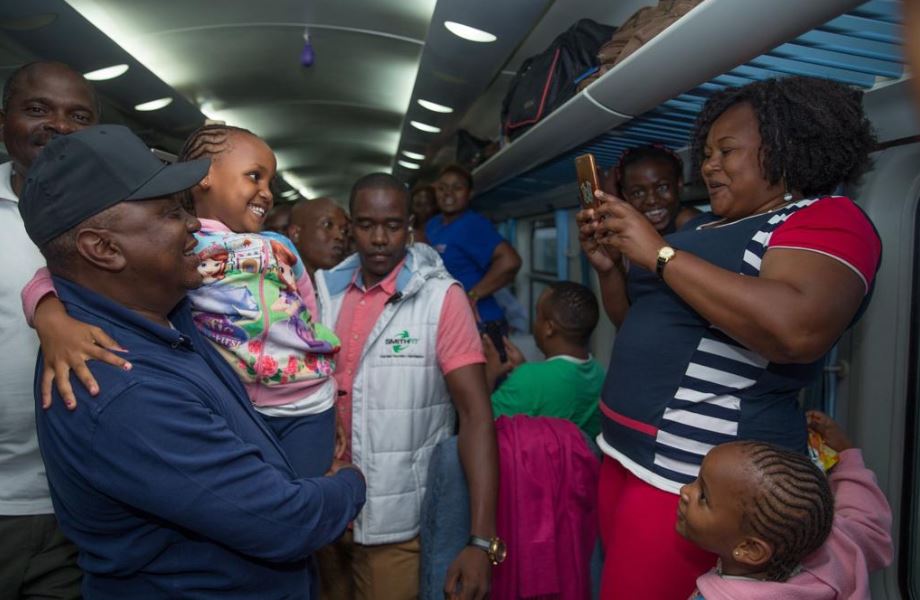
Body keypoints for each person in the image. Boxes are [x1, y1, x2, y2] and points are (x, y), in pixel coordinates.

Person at [18, 124, 365, 597]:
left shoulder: (166, 312)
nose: (195, 224)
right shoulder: (120, 387)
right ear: (104, 249)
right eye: (168, 214)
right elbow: (284, 522)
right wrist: (349, 482)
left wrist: (47, 308)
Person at [577, 76, 881, 599]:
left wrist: (659, 254)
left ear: (787, 150)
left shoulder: (827, 218)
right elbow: (645, 326)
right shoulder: (706, 230)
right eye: (707, 153)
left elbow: (797, 330)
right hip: (626, 452)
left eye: (726, 151)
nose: (709, 166)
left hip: (696, 477)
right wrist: (610, 270)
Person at [27, 123, 344, 479]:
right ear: (207, 177)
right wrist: (49, 317)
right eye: (254, 176)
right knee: (267, 492)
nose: (266, 193)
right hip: (240, 399)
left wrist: (318, 361)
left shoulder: (277, 246)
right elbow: (52, 274)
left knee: (304, 492)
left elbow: (306, 307)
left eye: (270, 182)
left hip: (306, 397)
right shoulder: (176, 245)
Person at [313, 173, 500, 600]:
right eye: (365, 225)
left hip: (396, 523)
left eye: (393, 225)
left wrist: (480, 540)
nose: (379, 238)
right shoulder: (326, 294)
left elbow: (475, 416)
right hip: (324, 510)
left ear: (410, 227)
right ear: (350, 228)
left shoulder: (441, 299)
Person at [0, 60, 105, 599]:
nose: (60, 126)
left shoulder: (123, 219)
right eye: (38, 109)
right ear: (3, 120)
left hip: (84, 498)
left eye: (78, 116)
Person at [680, 411, 893, 599]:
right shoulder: (839, 548)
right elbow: (868, 525)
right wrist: (847, 457)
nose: (685, 491)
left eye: (703, 497)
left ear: (750, 549)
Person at [484, 281, 605, 438]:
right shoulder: (599, 374)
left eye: (538, 315)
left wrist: (488, 374)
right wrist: (524, 370)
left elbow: (480, 424)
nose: (535, 323)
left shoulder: (529, 379)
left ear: (549, 328)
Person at [596, 145, 699, 326]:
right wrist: (609, 269)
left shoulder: (691, 225)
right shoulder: (628, 239)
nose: (651, 200)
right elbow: (624, 321)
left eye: (662, 187)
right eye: (638, 192)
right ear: (626, 196)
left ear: (679, 184)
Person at [427, 164, 522, 329]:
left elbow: (510, 261)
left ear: (469, 194)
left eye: (457, 188)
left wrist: (471, 295)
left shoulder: (472, 224)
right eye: (442, 188)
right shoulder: (433, 225)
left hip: (480, 320)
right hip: (450, 318)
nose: (448, 193)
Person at [286, 196, 350, 278]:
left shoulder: (354, 287)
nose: (340, 236)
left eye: (344, 230)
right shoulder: (271, 287)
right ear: (295, 234)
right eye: (327, 225)